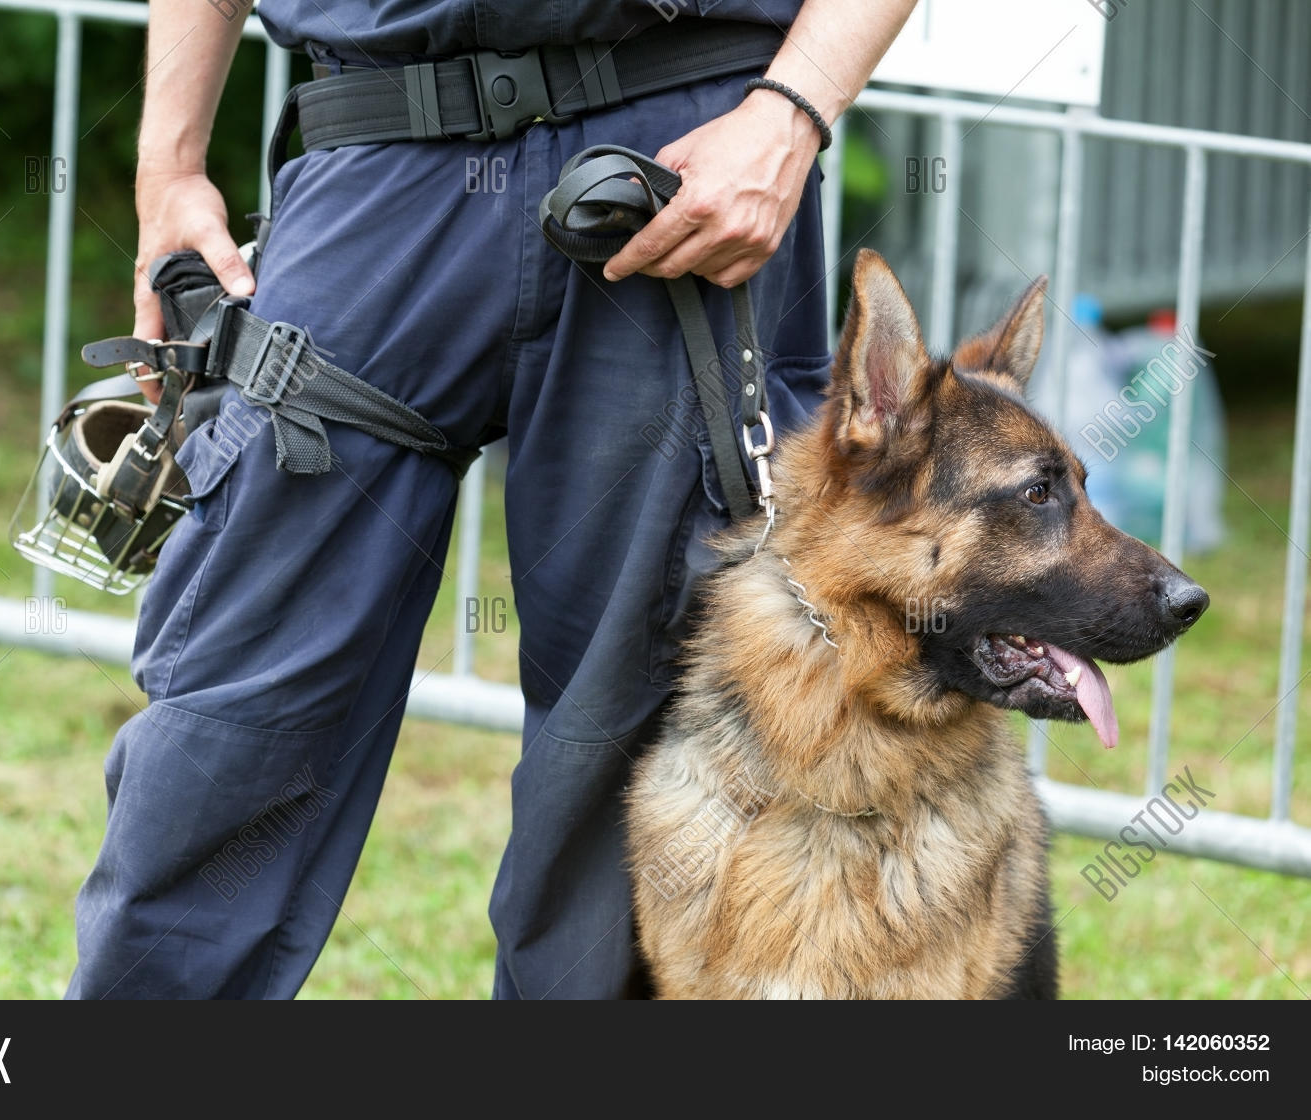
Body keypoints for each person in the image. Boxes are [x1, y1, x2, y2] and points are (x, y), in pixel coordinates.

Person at [66, 0, 917, 999]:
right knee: (227, 722)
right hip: (377, 146)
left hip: (680, 158)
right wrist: (167, 168)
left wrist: (794, 108)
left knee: (643, 749)